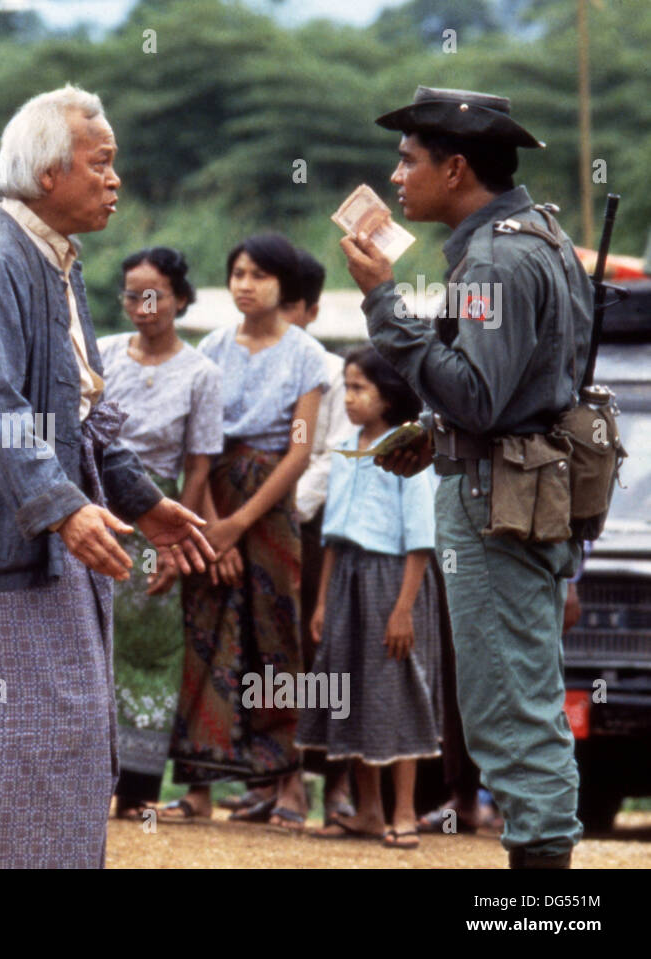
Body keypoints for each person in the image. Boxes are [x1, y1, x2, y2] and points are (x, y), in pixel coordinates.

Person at [0, 85, 214, 868]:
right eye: (101, 164)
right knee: (8, 740)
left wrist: (142, 501)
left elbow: (76, 412)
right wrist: (59, 508)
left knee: (65, 728)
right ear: (49, 172)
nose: (116, 180)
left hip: (50, 531)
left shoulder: (55, 260)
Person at [341, 86, 592, 869]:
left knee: (509, 711)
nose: (395, 178)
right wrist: (434, 430)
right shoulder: (542, 236)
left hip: (498, 502)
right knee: (516, 698)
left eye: (408, 161)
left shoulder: (494, 260)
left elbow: (481, 396)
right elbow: (514, 390)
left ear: (454, 169)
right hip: (518, 490)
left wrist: (385, 303)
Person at [162, 232, 328, 830]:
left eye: (258, 274)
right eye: (236, 273)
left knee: (276, 634)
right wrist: (209, 524)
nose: (244, 284)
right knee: (205, 628)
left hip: (268, 509)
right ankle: (199, 786)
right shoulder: (208, 347)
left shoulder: (307, 353)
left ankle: (288, 785)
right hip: (210, 495)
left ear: (282, 285)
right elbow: (197, 444)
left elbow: (299, 453)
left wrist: (239, 523)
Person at [96, 247, 224, 819]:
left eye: (155, 296)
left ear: (179, 299)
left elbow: (198, 465)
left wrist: (174, 544)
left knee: (150, 648)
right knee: (94, 638)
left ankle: (139, 788)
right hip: (100, 506)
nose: (143, 308)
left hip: (160, 512)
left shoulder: (200, 373)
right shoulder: (100, 355)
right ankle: (87, 778)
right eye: (132, 296)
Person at [298, 346, 442, 849]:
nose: (351, 397)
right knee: (350, 689)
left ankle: (404, 810)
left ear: (389, 393)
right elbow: (333, 537)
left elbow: (421, 539)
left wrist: (404, 609)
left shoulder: (409, 450)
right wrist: (321, 604)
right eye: (348, 386)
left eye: (361, 388)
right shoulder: (343, 447)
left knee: (396, 687)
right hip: (346, 582)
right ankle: (369, 811)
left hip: (392, 582)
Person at [284, 247, 355, 823]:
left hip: (317, 529)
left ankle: (333, 784)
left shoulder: (333, 373)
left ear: (309, 309)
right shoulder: (233, 357)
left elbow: (335, 455)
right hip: (257, 524)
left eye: (288, 304)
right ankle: (276, 781)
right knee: (274, 652)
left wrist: (286, 508)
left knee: (325, 653)